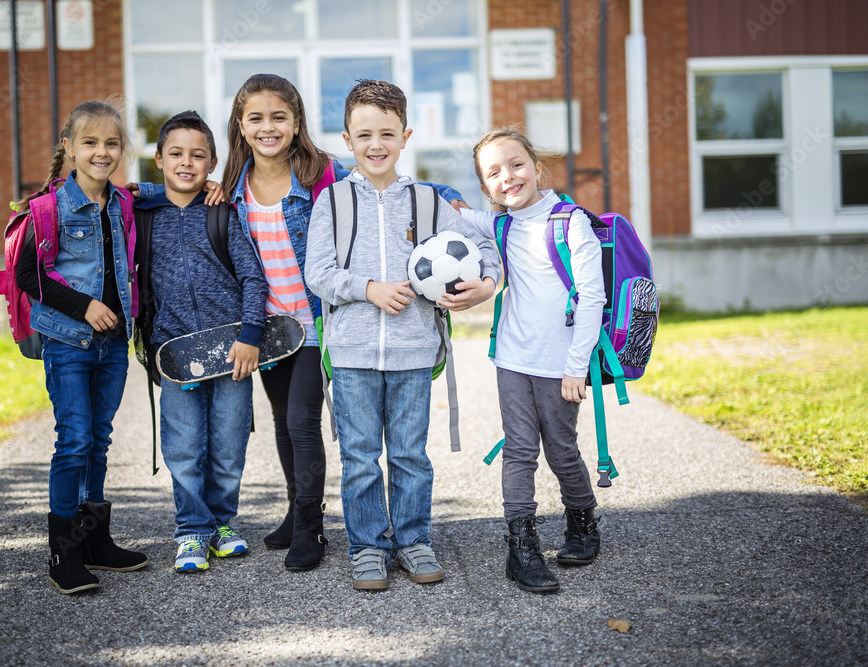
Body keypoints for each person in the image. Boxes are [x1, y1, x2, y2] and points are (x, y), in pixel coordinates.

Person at [143, 73, 465, 572]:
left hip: (317, 319)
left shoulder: (322, 175)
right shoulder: (229, 184)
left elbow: (379, 177)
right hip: (268, 329)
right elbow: (160, 190)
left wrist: (447, 191)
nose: (267, 127)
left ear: (296, 124)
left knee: (301, 421)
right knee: (281, 423)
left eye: (279, 117)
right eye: (256, 118)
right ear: (241, 125)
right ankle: (297, 511)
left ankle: (311, 523)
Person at [304, 79, 501, 590]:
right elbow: (318, 273)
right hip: (351, 354)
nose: (376, 144)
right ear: (347, 140)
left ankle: (413, 540)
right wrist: (369, 289)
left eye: (387, 133)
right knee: (361, 456)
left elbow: (485, 248)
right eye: (364, 134)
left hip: (415, 350)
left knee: (410, 454)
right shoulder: (331, 203)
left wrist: (484, 286)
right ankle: (368, 546)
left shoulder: (430, 202)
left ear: (405, 136)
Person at [458, 126, 607, 593]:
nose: (508, 177)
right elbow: (452, 212)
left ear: (537, 168)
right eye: (494, 173)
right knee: (519, 450)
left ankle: (583, 523)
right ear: (487, 188)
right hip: (512, 359)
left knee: (562, 450)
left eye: (516, 164)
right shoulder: (499, 223)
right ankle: (521, 546)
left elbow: (592, 297)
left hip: (560, 365)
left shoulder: (568, 222)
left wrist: (576, 365)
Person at [16, 100, 148, 594]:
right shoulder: (47, 209)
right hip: (69, 341)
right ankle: (63, 554)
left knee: (99, 439)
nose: (102, 152)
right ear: (69, 148)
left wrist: (210, 184)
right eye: (90, 143)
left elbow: (167, 189)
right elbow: (27, 275)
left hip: (112, 345)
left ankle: (97, 542)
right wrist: (84, 306)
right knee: (73, 440)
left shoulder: (124, 203)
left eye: (111, 143)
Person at [134, 110, 268, 573]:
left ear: (212, 164)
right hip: (174, 352)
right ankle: (192, 531)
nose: (186, 163)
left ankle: (222, 524)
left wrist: (251, 335)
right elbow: (118, 192)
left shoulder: (223, 213)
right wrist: (145, 191)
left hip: (233, 348)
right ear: (158, 159)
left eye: (197, 155)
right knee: (185, 444)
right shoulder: (142, 214)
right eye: (176, 154)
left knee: (229, 443)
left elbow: (253, 276)